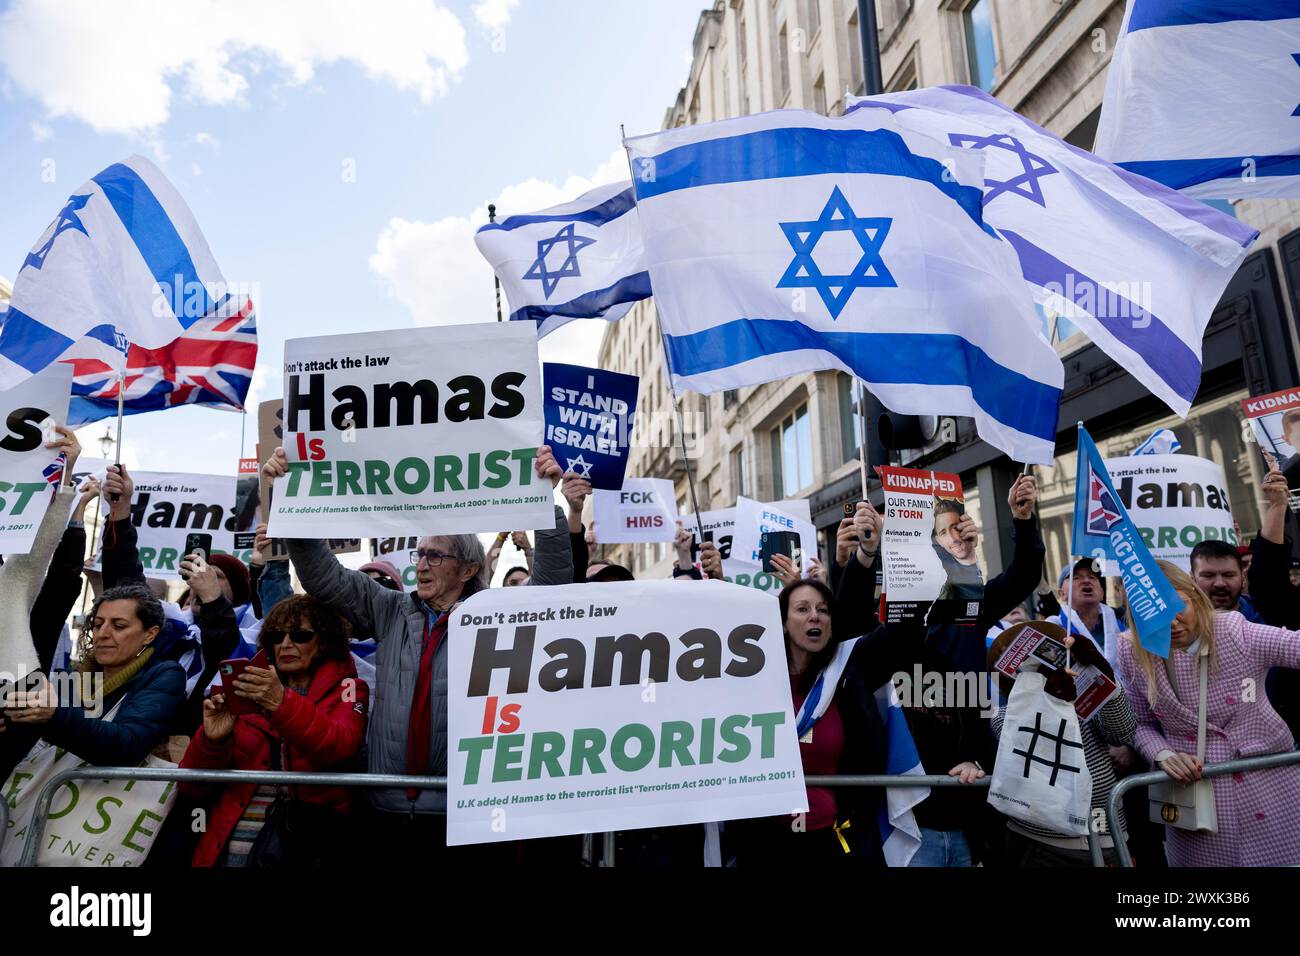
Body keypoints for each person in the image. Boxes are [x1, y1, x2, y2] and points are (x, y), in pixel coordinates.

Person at [264, 443, 573, 865]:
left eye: (436, 555)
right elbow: (323, 575)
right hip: (384, 809)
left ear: (467, 569)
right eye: (420, 554)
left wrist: (549, 502)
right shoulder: (391, 608)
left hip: (462, 813)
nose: (422, 565)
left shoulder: (495, 615)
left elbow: (552, 587)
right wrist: (290, 498)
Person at [1117, 560, 1300, 866]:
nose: (1172, 624)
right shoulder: (1131, 650)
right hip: (1197, 801)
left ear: (1195, 596)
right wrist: (1163, 754)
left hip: (1269, 787)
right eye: (1156, 617)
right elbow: (1139, 724)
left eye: (1178, 609)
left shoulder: (1231, 629)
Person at [729, 574, 920, 867]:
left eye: (823, 610)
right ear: (782, 622)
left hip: (834, 839)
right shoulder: (753, 680)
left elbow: (898, 632)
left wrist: (882, 556)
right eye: (802, 609)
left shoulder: (848, 672)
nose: (815, 617)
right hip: (764, 841)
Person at [180, 594, 368, 867]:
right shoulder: (248, 688)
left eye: (301, 635)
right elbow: (192, 787)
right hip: (226, 849)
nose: (286, 644)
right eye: (278, 636)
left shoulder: (350, 688)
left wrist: (280, 703)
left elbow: (338, 747)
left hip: (301, 849)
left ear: (325, 640)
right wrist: (212, 740)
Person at [990, 626, 1139, 866]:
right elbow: (1038, 757)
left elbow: (1122, 732)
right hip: (1045, 846)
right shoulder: (1003, 716)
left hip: (1108, 838)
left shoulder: (1079, 702)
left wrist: (1105, 678)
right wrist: (1047, 703)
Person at [2, 585, 187, 770]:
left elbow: (128, 745)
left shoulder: (165, 675)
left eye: (119, 626)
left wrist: (55, 715)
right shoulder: (70, 679)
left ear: (149, 634)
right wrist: (11, 719)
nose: (102, 634)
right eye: (98, 625)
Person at [932, 498, 983, 590]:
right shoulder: (941, 575)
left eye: (955, 528)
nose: (952, 539)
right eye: (943, 533)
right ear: (938, 541)